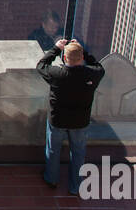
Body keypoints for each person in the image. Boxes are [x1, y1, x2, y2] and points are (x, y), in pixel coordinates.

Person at [36, 38, 104, 195]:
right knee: (78, 153)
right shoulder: (92, 75)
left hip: (58, 119)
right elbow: (99, 67)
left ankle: (51, 179)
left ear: (65, 58)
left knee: (53, 150)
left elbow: (41, 66)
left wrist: (56, 48)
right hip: (80, 121)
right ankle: (75, 187)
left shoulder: (57, 74)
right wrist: (83, 51)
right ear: (81, 58)